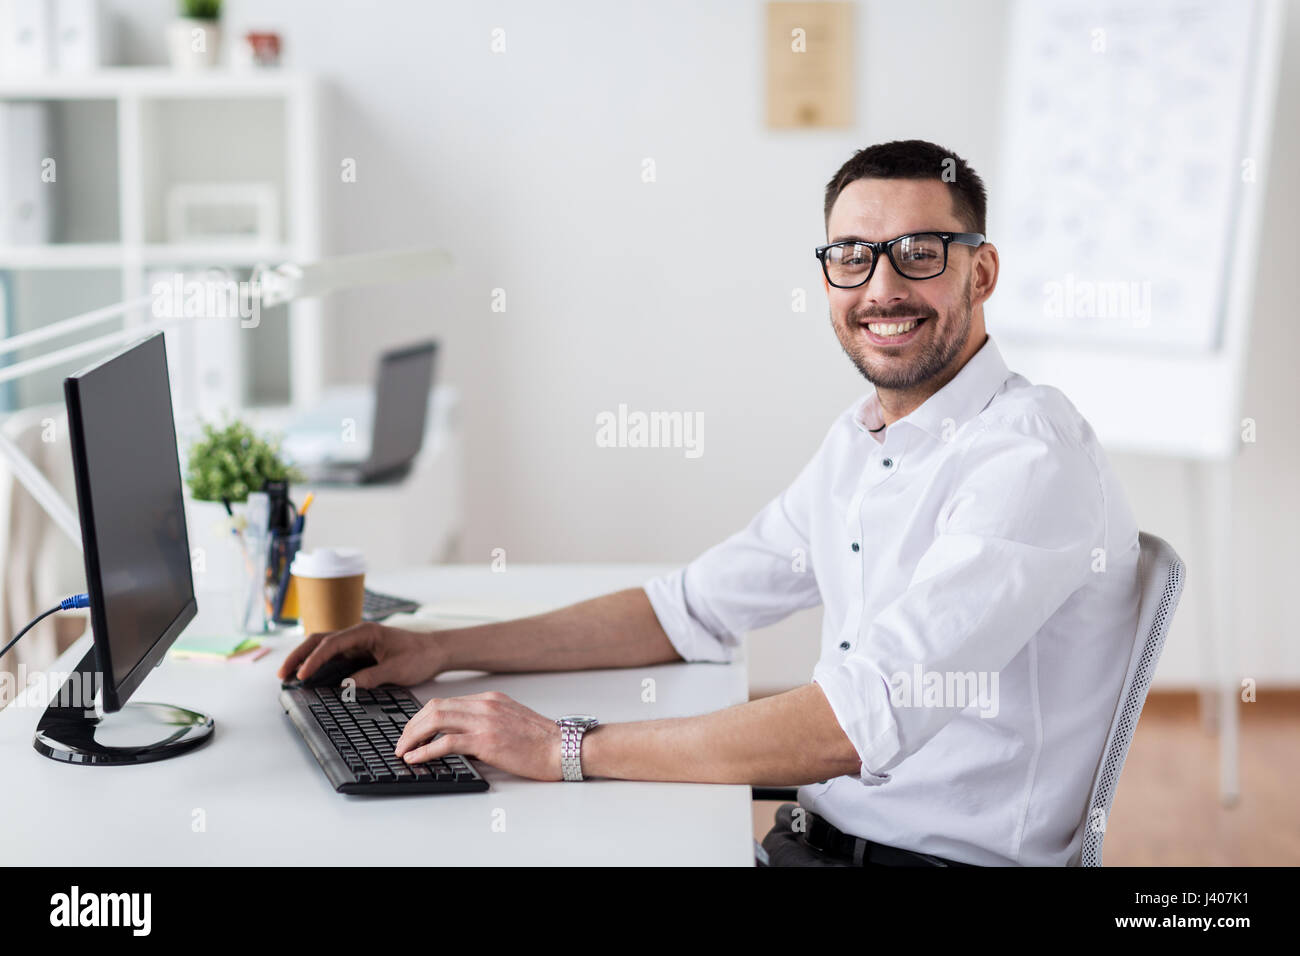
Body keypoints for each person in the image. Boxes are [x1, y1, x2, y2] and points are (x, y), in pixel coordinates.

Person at [278, 139, 1140, 867]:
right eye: (852, 255)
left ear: (980, 271)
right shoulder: (866, 440)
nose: (881, 287)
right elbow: (685, 609)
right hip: (819, 839)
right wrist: (438, 651)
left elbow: (853, 723)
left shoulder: (1027, 457)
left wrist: (563, 747)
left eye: (920, 252)